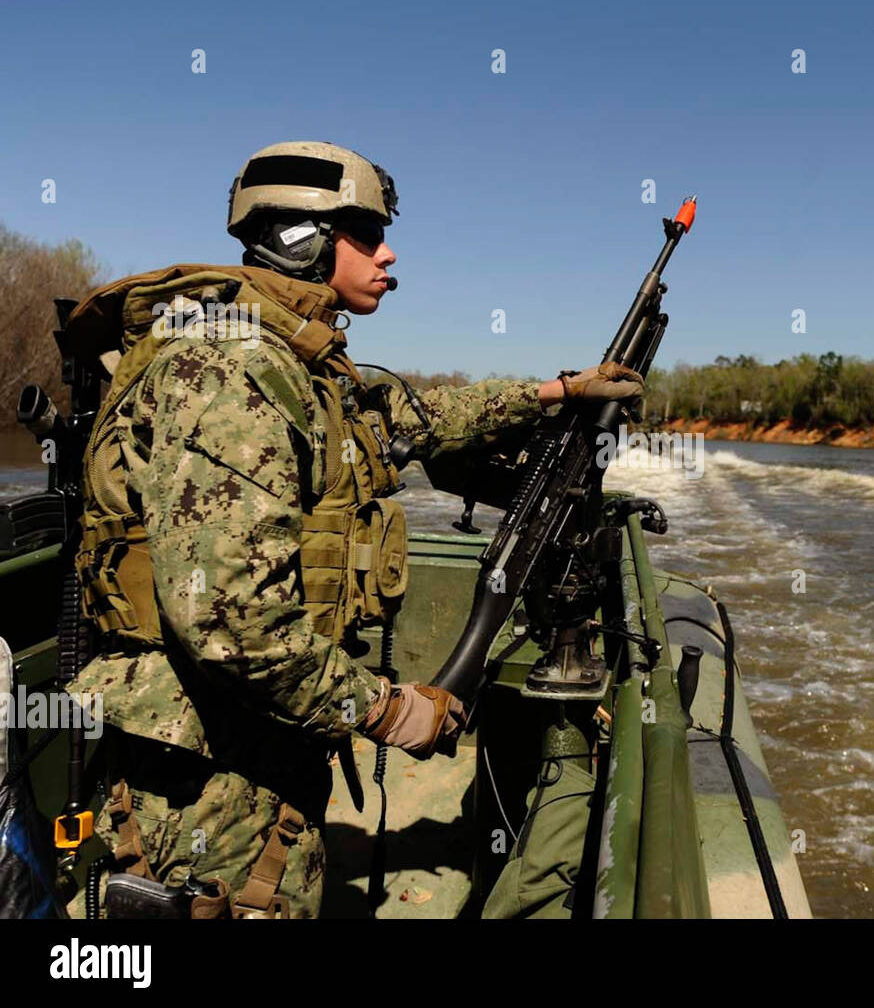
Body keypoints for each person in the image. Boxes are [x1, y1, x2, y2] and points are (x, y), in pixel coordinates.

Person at [74, 141, 642, 918]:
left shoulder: (303, 365)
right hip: (201, 758)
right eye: (367, 234)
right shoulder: (233, 370)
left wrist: (556, 391)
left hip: (256, 732)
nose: (388, 252)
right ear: (304, 241)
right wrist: (388, 709)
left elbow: (408, 420)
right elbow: (232, 623)